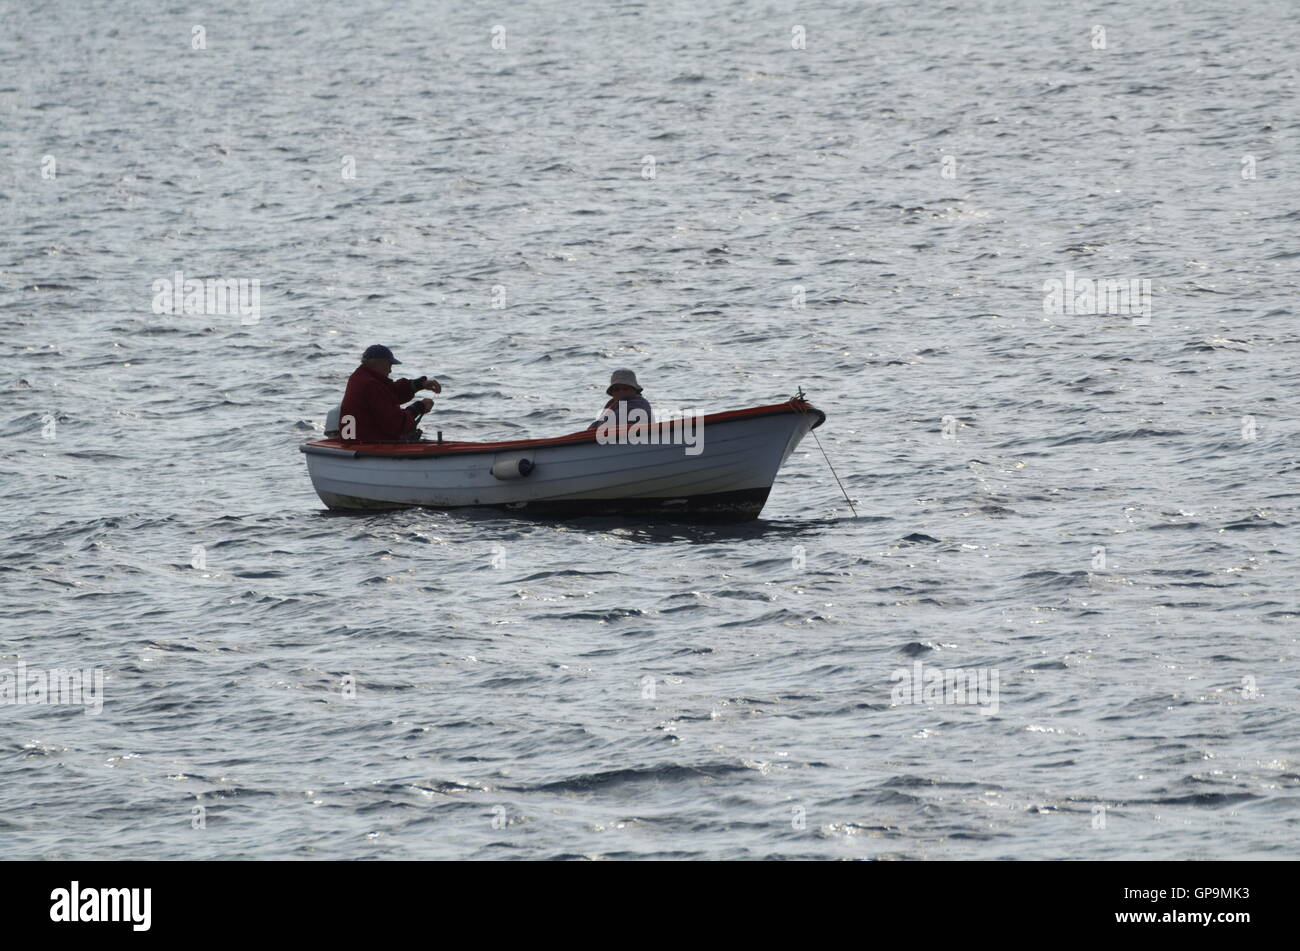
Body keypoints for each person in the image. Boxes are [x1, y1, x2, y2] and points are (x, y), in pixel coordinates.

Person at [339, 344, 441, 442]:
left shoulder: (360, 377)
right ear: (379, 363)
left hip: (354, 440)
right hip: (366, 444)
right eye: (389, 364)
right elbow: (396, 424)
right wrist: (419, 407)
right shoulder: (371, 384)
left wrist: (420, 384)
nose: (390, 370)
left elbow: (390, 392)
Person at [588, 368, 652, 430]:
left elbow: (614, 422)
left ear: (634, 390)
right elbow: (599, 424)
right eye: (617, 389)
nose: (621, 392)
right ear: (612, 393)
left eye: (625, 389)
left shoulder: (638, 404)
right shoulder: (613, 405)